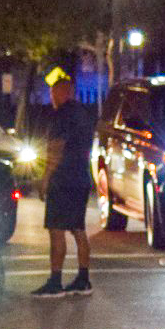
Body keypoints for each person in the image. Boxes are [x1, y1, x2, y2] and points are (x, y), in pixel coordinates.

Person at [31, 70, 94, 297]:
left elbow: (55, 148)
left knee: (56, 230)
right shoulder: (84, 114)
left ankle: (55, 281)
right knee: (79, 229)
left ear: (61, 92)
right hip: (81, 178)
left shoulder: (62, 116)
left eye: (53, 92)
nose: (51, 97)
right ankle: (83, 279)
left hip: (63, 180)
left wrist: (46, 178)